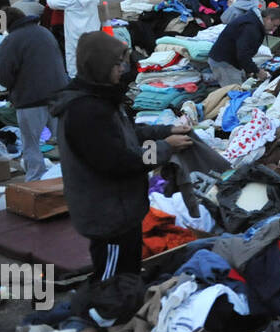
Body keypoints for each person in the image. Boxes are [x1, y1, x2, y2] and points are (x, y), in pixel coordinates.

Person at [51, 31, 194, 284]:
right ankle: (101, 317)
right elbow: (119, 161)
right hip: (108, 216)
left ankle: (121, 310)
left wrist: (166, 130)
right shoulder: (86, 111)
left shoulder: (102, 98)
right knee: (110, 283)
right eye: (116, 64)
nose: (122, 69)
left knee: (126, 274)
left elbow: (127, 135)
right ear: (99, 66)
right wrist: (164, 147)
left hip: (121, 210)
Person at [0, 7, 68, 181]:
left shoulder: (11, 40)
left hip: (30, 99)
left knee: (32, 144)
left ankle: (35, 181)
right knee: (64, 142)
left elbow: (4, 75)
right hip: (59, 94)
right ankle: (68, 176)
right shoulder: (44, 32)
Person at [208, 5, 280, 86]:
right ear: (268, 18)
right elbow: (243, 54)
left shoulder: (255, 22)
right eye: (274, 25)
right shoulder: (251, 27)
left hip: (231, 61)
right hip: (224, 62)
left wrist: (250, 70)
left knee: (242, 85)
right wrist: (257, 71)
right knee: (235, 92)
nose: (274, 29)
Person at [46, 0, 102, 79]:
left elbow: (53, 4)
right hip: (92, 31)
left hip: (75, 33)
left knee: (73, 57)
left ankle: (74, 79)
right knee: (92, 56)